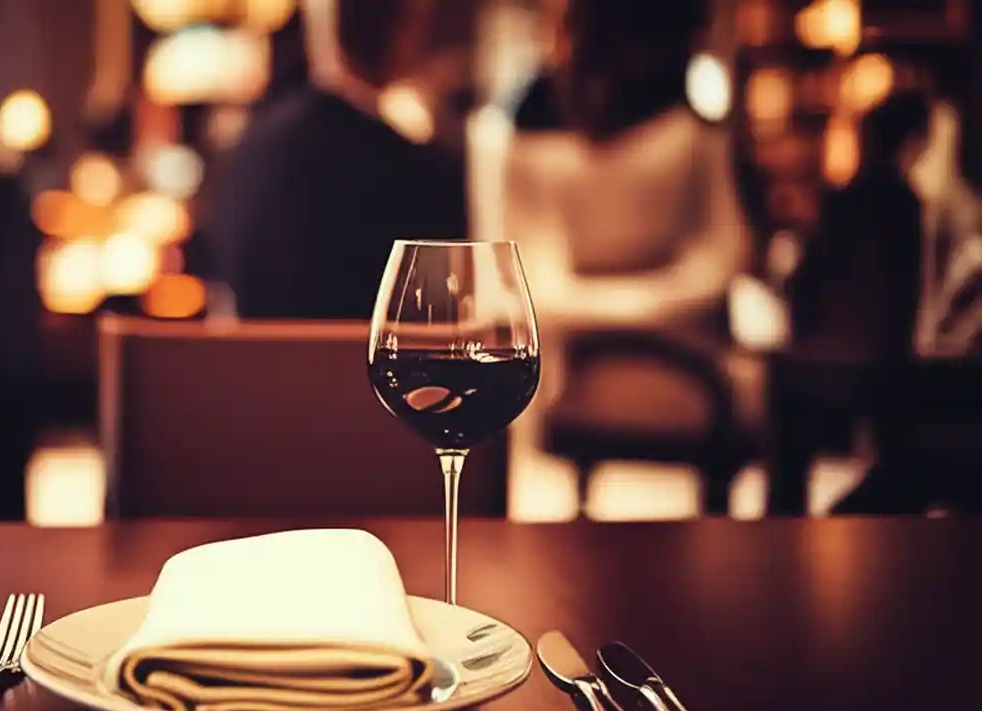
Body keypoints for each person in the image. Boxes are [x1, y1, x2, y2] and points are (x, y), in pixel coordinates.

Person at [499, 0, 750, 514]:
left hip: (668, 358)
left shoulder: (689, 128)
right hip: (590, 362)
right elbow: (536, 285)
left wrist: (595, 308)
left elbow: (721, 262)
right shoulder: (540, 127)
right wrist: (648, 305)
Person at [205, 0, 466, 319]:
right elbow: (441, 312)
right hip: (358, 353)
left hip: (249, 352)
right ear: (404, 31)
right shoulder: (416, 171)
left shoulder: (248, 147)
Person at [785, 92, 932, 514]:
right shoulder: (902, 204)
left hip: (829, 354)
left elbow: (804, 285)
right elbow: (904, 296)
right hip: (875, 355)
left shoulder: (845, 201)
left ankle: (789, 520)